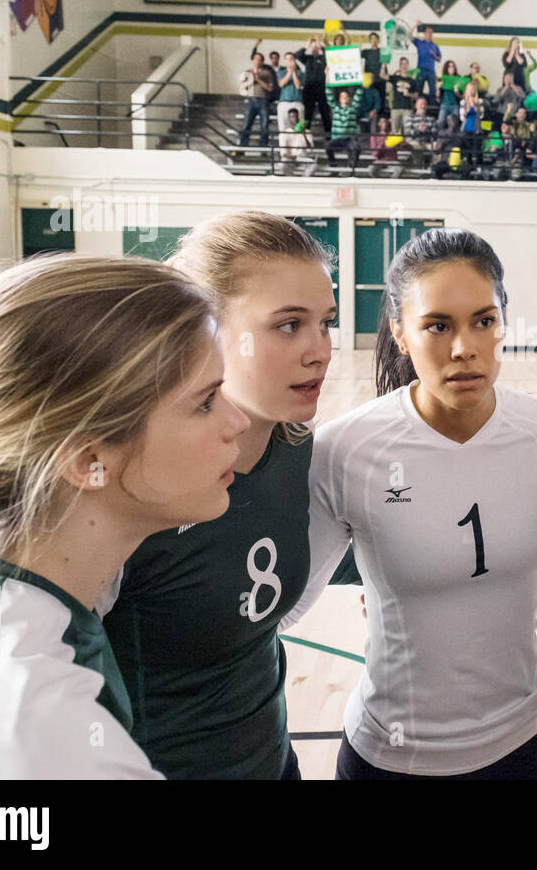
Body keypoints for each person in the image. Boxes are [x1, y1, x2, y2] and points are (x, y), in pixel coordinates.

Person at [0, 254, 245, 778]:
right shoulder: (39, 732)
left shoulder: (7, 595)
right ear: (88, 460)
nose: (237, 421)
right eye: (205, 402)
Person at [285, 229, 537, 779]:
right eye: (437, 326)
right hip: (391, 756)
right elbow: (286, 606)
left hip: (522, 746)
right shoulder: (346, 449)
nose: (463, 347)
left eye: (483, 321)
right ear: (399, 331)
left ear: (503, 321)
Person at [102, 214, 337, 780]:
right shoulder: (140, 479)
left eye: (325, 322)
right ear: (205, 331)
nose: (320, 350)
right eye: (288, 325)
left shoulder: (300, 449)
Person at [295, 36, 331, 135]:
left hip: (322, 89)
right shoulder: (307, 59)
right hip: (309, 89)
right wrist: (307, 45)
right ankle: (306, 136)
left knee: (325, 114)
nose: (314, 48)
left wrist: (320, 46)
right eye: (312, 47)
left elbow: (330, 54)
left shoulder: (323, 58)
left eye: (316, 47)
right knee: (307, 114)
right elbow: (297, 55)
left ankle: (329, 137)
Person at [238, 51, 274, 149]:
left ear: (262, 61)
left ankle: (263, 148)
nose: (257, 61)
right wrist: (251, 81)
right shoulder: (247, 72)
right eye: (255, 59)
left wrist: (258, 80)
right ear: (253, 60)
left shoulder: (267, 73)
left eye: (259, 59)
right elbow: (242, 87)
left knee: (264, 125)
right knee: (246, 125)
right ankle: (242, 147)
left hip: (263, 100)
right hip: (251, 100)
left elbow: (270, 88)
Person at [327, 88, 363, 176]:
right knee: (328, 147)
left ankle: (352, 170)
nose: (344, 98)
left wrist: (361, 77)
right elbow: (328, 94)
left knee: (356, 147)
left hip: (349, 139)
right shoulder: (335, 109)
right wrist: (327, 76)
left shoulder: (353, 108)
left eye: (346, 96)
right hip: (337, 139)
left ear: (348, 98)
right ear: (339, 98)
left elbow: (359, 93)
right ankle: (334, 169)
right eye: (342, 96)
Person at [411, 24, 442, 103]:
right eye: (428, 32)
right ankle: (418, 107)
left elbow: (439, 59)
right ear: (424, 33)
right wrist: (415, 25)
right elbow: (409, 35)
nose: (430, 34)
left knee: (433, 91)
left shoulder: (435, 46)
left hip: (431, 71)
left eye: (431, 33)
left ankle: (432, 107)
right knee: (419, 90)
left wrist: (434, 56)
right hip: (421, 70)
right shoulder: (419, 42)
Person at [276, 52, 304, 134]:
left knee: (299, 128)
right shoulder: (281, 72)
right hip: (284, 102)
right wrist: (289, 72)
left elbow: (298, 86)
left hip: (297, 101)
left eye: (291, 59)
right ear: (285, 61)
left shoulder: (300, 73)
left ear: (294, 60)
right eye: (287, 59)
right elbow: (281, 84)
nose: (289, 61)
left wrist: (294, 72)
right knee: (283, 127)